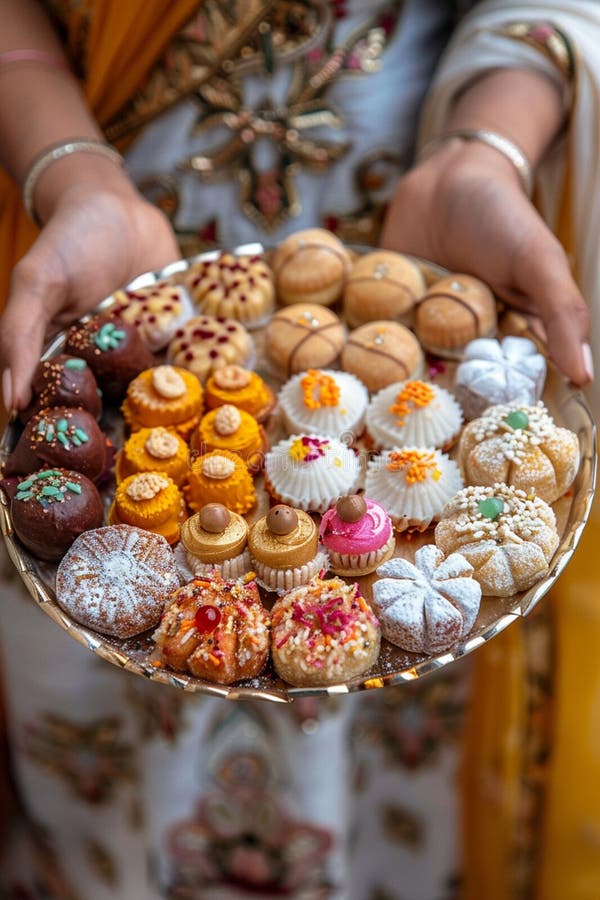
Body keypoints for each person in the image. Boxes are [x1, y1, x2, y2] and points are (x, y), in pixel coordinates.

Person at [0, 1, 598, 897]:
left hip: (413, 236)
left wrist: (487, 151)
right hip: (132, 286)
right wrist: (70, 174)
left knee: (398, 767)